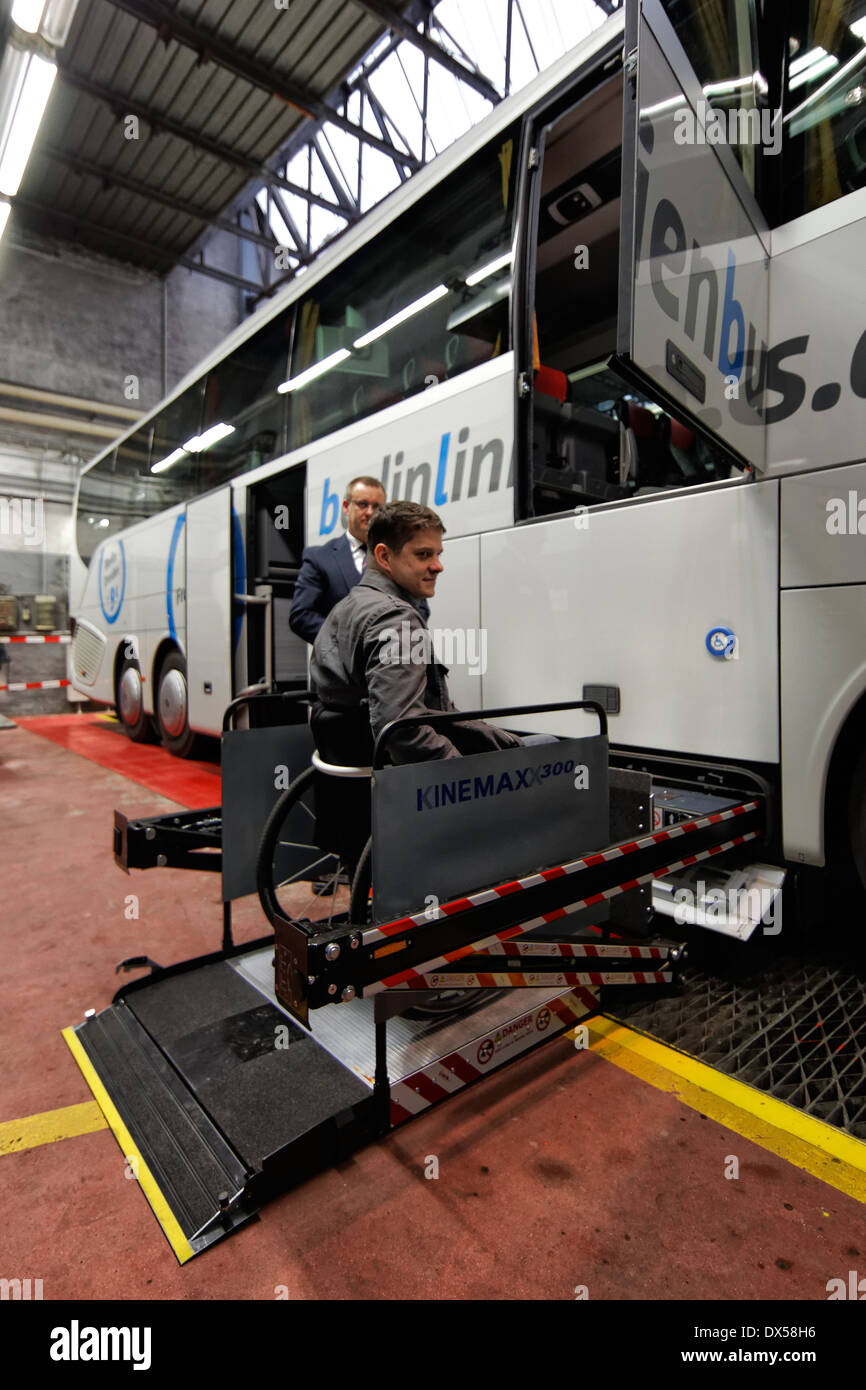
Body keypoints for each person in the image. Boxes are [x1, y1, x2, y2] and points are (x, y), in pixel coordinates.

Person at [311, 500, 521, 764]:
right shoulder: (395, 618)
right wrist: (463, 776)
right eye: (423, 555)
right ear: (385, 556)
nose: (438, 566)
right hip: (407, 785)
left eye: (438, 554)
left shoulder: (344, 608)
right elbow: (403, 733)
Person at [289, 476, 386, 644]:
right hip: (342, 665)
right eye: (363, 504)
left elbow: (418, 605)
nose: (370, 512)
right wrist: (348, 641)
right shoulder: (319, 558)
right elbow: (301, 616)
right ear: (347, 507)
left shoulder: (395, 555)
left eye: (376, 506)